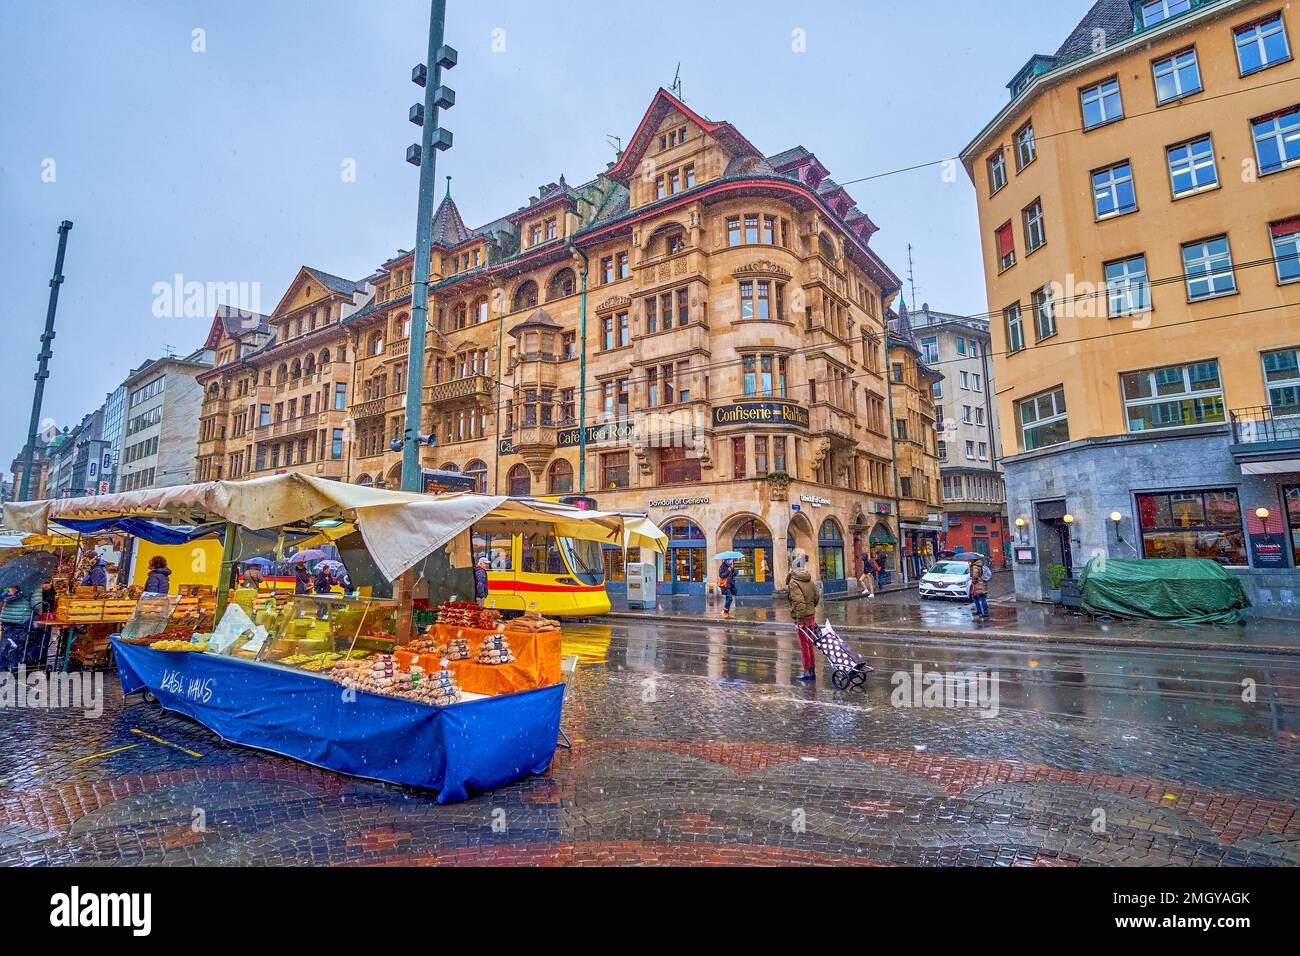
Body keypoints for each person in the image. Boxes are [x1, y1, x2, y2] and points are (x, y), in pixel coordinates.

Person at [786, 549, 821, 682]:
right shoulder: (809, 580)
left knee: (804, 645)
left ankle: (807, 671)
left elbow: (799, 602)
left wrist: (800, 619)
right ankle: (812, 670)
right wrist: (811, 609)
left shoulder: (794, 583)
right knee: (810, 644)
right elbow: (816, 597)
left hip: (802, 618)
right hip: (811, 616)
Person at [0, 585, 34, 672]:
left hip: (7, 617)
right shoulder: (34, 583)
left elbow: (2, 597)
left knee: (5, 644)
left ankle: (2, 668)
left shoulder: (8, 583)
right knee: (18, 646)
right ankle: (13, 669)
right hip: (22, 618)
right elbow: (36, 604)